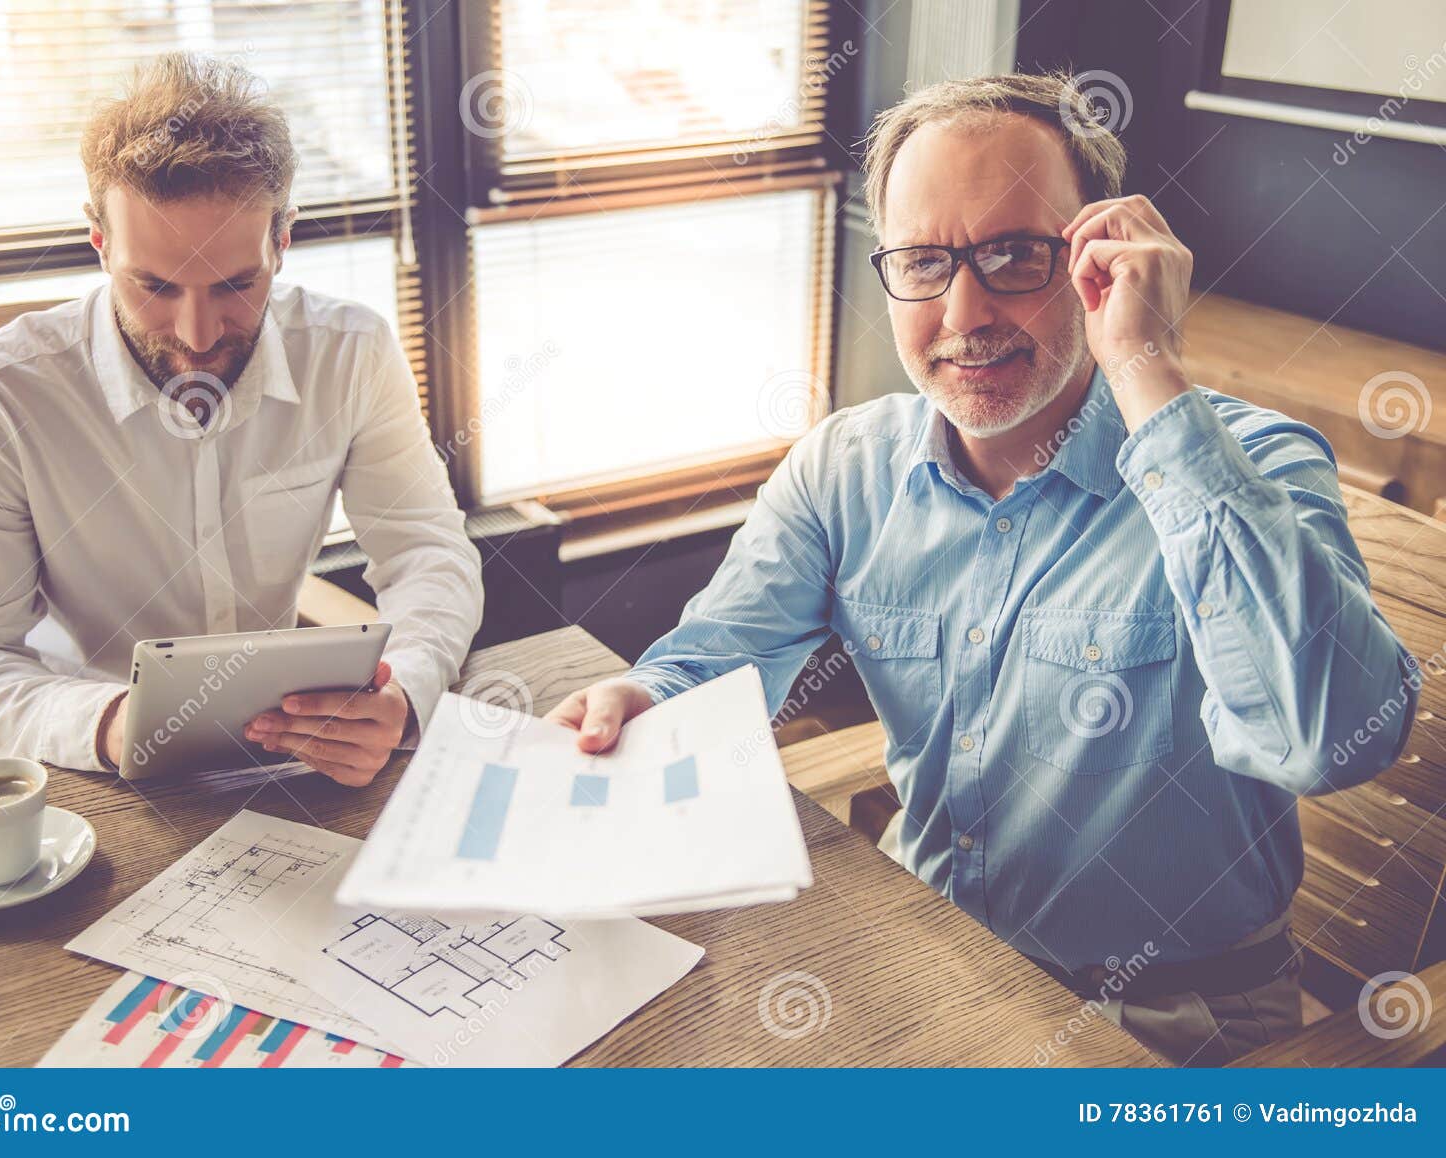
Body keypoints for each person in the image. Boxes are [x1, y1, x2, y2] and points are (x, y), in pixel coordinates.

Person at [548, 72, 1418, 1064]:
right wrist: (640, 697)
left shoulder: (1254, 463)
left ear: (1101, 254)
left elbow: (1327, 742)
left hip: (1170, 1028)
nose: (964, 313)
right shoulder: (844, 468)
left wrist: (1144, 369)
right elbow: (713, 664)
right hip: (927, 970)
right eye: (923, 261)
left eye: (1013, 255)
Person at [0, 53, 483, 786]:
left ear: (282, 241)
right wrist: (115, 726)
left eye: (237, 284)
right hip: (83, 759)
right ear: (100, 243)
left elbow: (427, 550)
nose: (199, 333)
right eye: (155, 285)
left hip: (293, 751)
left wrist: (408, 688)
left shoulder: (352, 351)